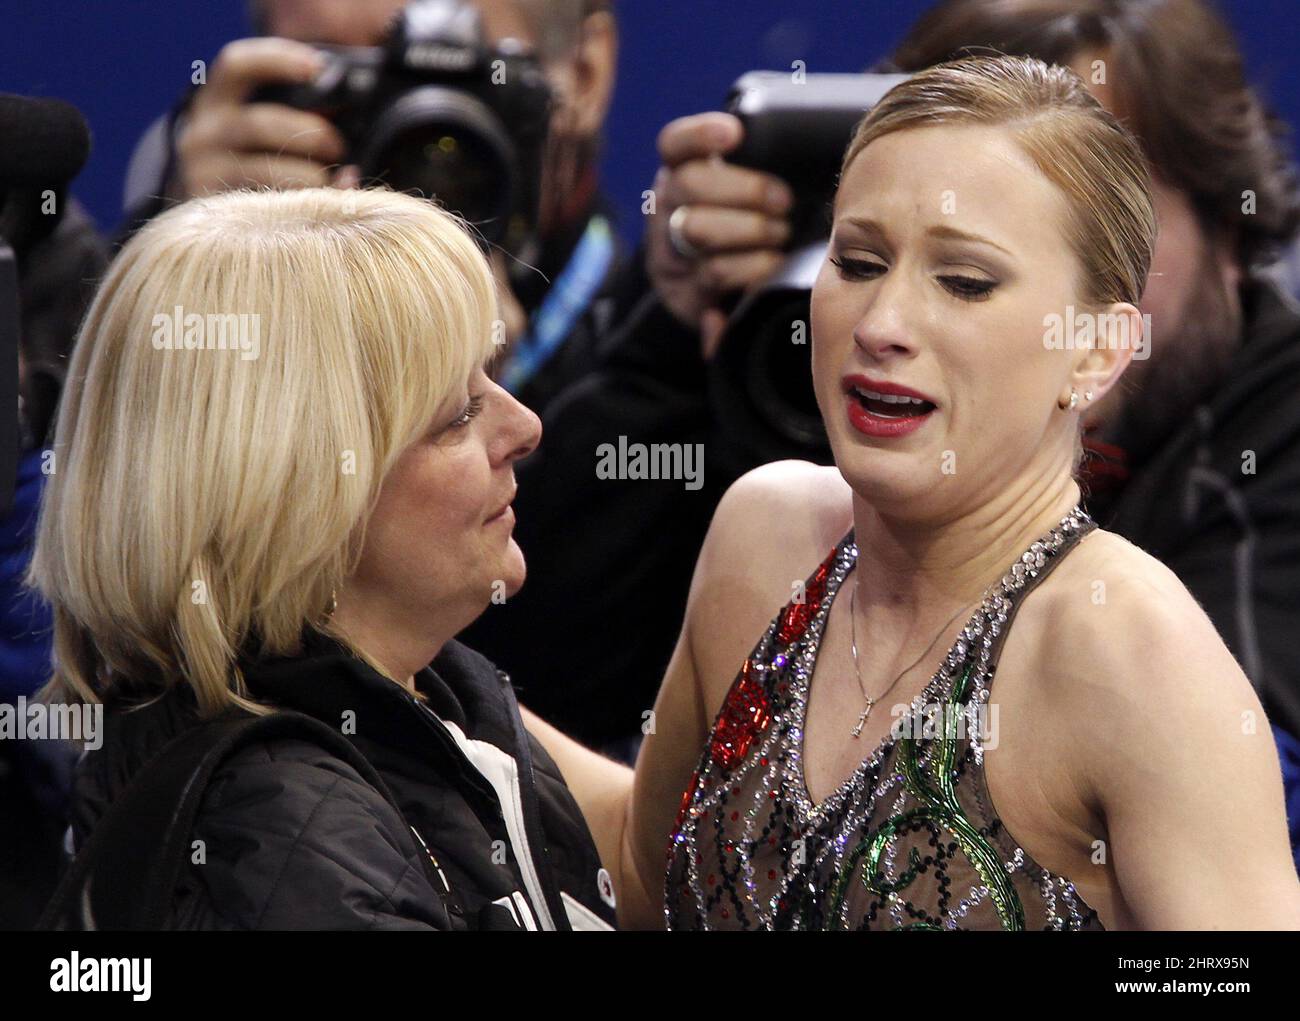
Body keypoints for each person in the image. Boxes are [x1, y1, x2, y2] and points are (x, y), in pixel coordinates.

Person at [523, 55, 1300, 930]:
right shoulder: (763, 532)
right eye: (856, 262)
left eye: (964, 282)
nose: (883, 325)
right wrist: (412, 668)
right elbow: (639, 877)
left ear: (1096, 349)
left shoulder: (1133, 654)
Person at [28, 186, 615, 930]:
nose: (525, 426)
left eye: (490, 379)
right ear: (293, 492)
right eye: (458, 413)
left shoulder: (429, 695)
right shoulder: (279, 842)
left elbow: (656, 843)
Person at [121, 0, 629, 414]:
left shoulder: (673, 376)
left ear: (584, 74)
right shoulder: (177, 316)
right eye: (350, 78)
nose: (410, 131)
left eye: (461, 77)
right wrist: (181, 281)